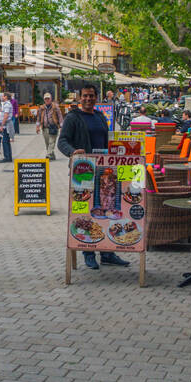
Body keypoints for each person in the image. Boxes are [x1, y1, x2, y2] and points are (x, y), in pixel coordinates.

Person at [57, 83, 126, 270]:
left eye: (91, 96)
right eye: (85, 96)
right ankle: (88, 252)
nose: (88, 99)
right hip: (84, 173)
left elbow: (108, 140)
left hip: (104, 174)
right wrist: (73, 152)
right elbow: (62, 142)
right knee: (86, 212)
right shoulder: (73, 118)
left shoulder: (100, 117)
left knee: (106, 209)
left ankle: (107, 252)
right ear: (80, 98)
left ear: (96, 98)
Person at [37, 92, 63, 160]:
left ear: (51, 99)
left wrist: (61, 126)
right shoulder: (41, 108)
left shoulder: (55, 107)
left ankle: (48, 155)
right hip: (45, 128)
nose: (47, 100)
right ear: (44, 100)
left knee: (52, 142)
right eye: (46, 99)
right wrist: (37, 127)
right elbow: (38, 117)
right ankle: (52, 155)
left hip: (54, 127)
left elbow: (60, 117)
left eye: (48, 98)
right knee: (47, 143)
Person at [0, 94, 15, 163]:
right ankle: (8, 157)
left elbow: (6, 115)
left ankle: (7, 157)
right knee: (6, 141)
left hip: (6, 125)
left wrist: (2, 125)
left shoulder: (7, 104)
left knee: (5, 141)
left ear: (6, 97)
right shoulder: (5, 104)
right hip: (5, 124)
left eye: (3, 96)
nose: (2, 97)